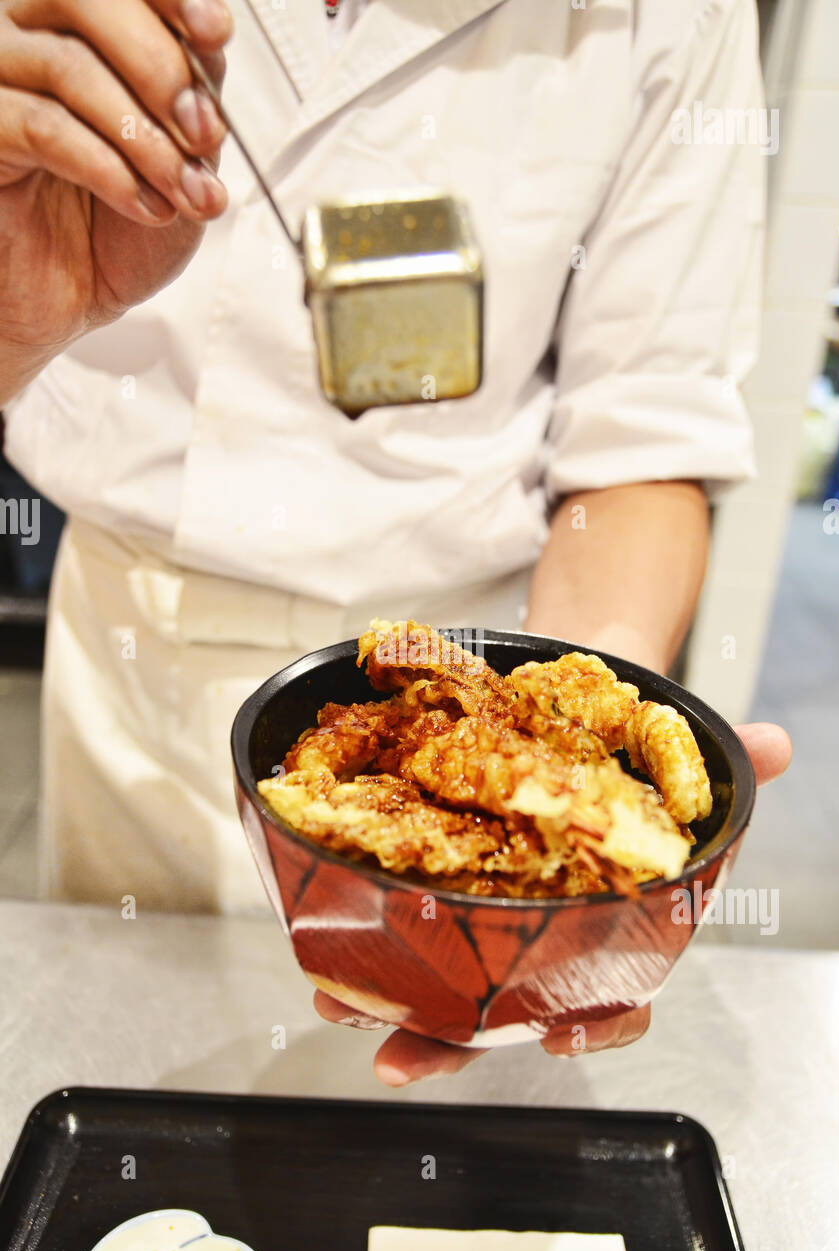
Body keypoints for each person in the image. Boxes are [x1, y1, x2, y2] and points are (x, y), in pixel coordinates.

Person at [0, 0, 791, 1084]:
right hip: (130, 664)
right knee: (131, 1097)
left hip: (488, 655)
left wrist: (580, 817)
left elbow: (642, 438)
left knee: (443, 1189)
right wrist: (18, 315)